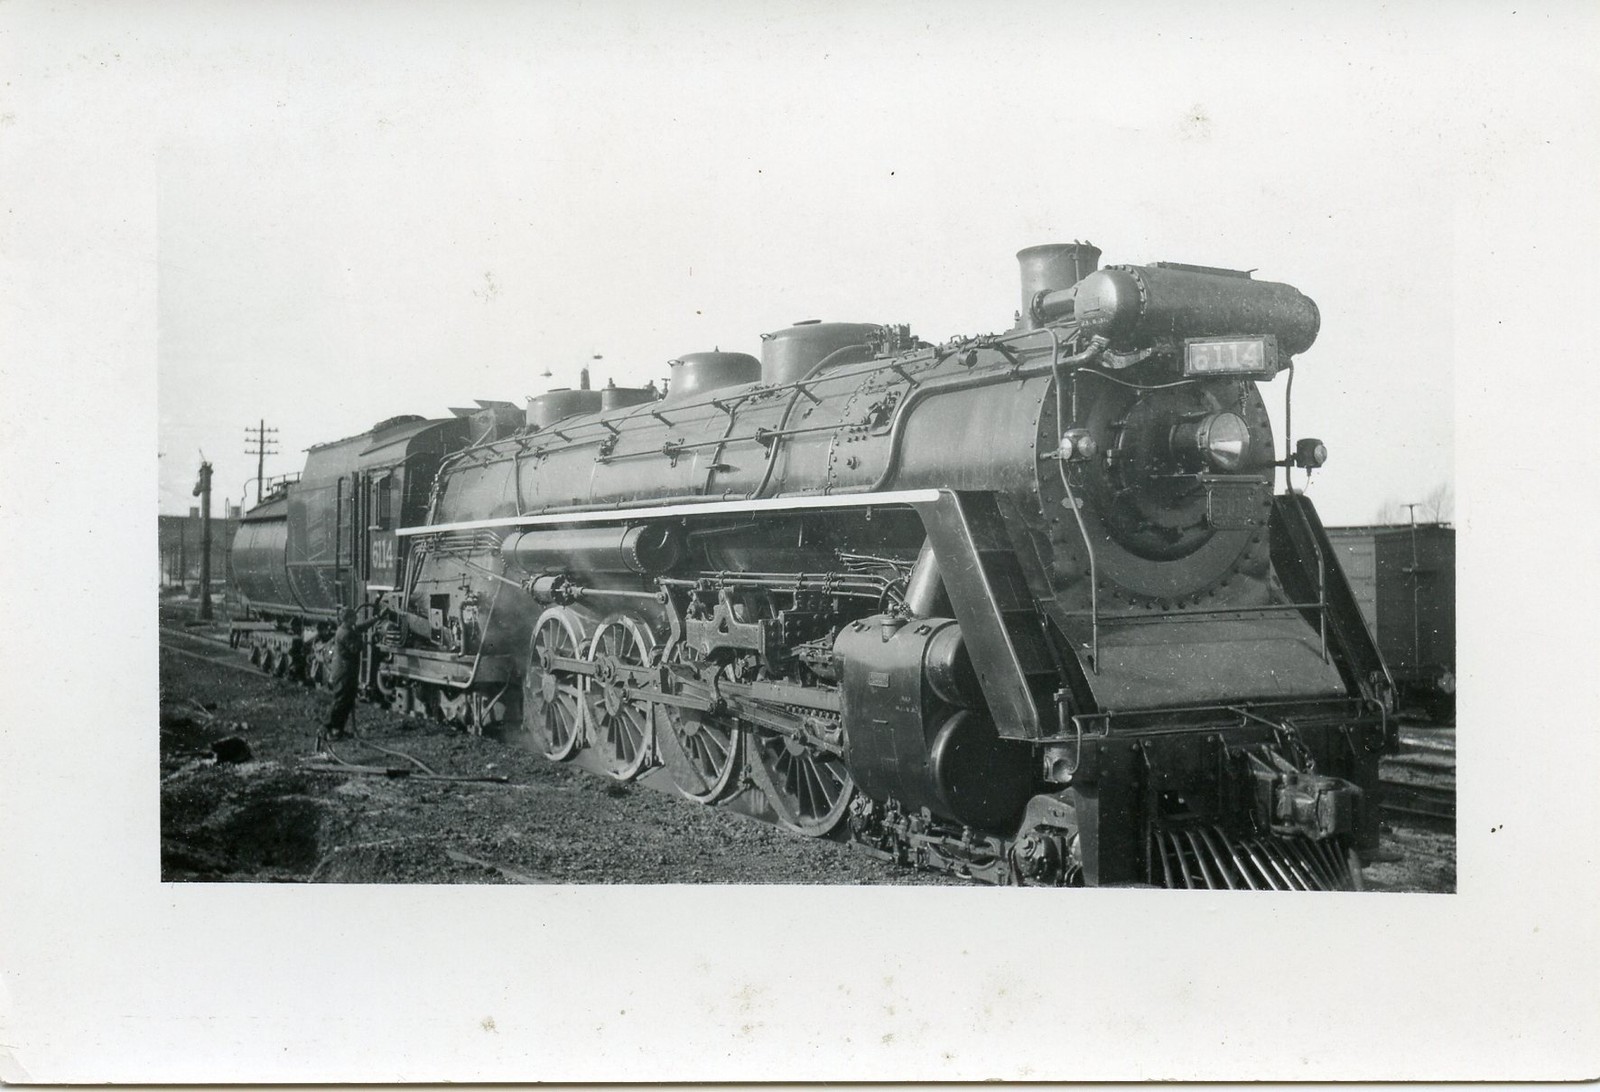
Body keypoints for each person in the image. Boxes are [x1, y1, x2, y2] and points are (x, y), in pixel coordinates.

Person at [317, 606, 383, 749]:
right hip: (344, 672)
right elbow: (356, 648)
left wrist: (377, 618)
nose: (356, 619)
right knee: (340, 700)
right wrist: (369, 640)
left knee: (346, 702)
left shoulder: (346, 628)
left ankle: (338, 730)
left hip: (347, 672)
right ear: (348, 619)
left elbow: (360, 628)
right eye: (354, 617)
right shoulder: (345, 633)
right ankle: (326, 728)